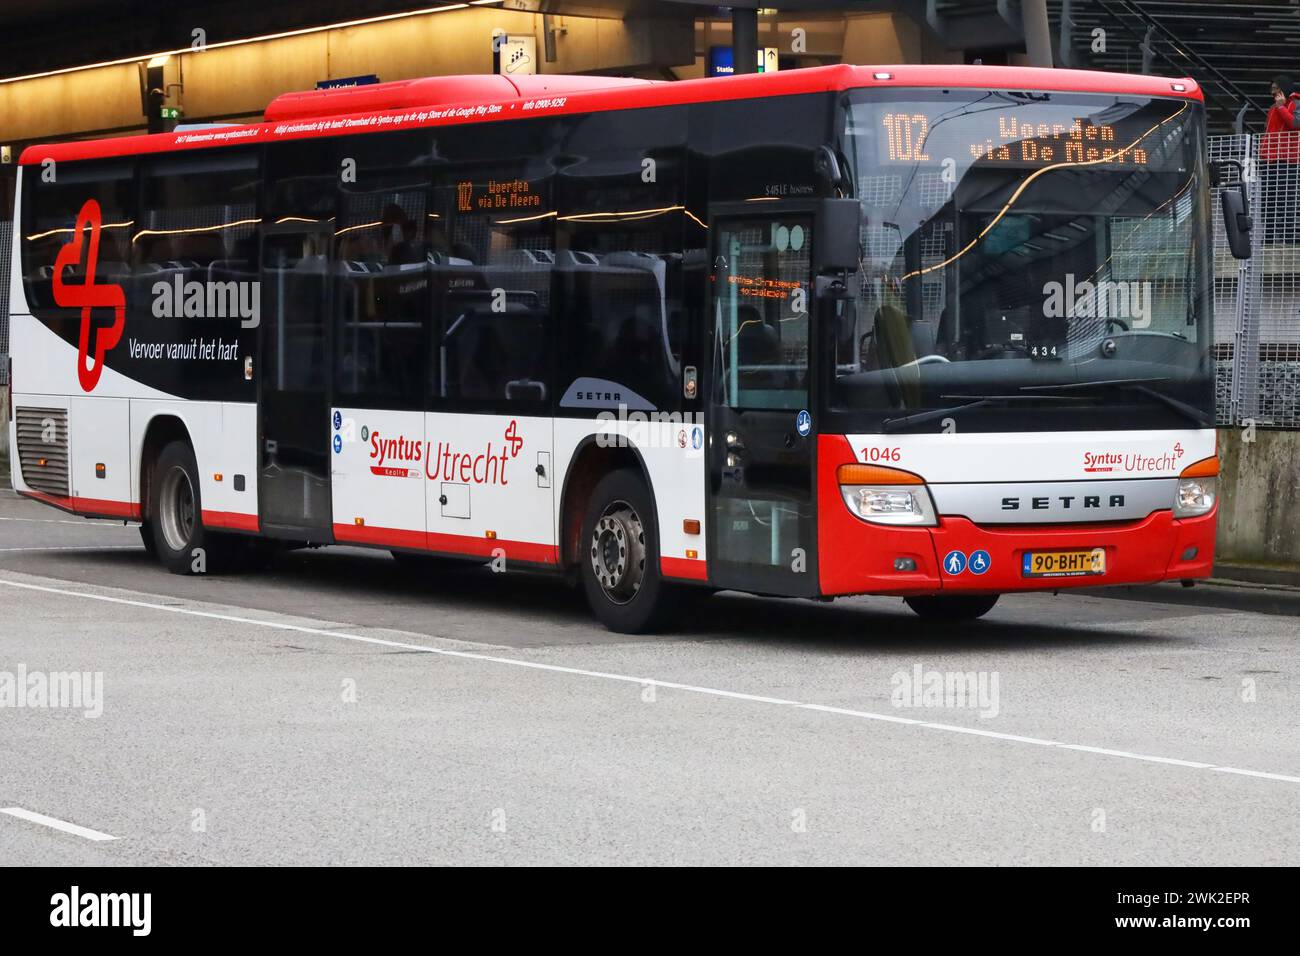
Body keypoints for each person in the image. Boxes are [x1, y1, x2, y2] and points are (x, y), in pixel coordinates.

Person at [1261, 76, 1300, 244]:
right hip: (1270, 159)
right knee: (1268, 200)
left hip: (1288, 160)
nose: (1273, 92)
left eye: (1276, 88)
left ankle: (1288, 237)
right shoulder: (1274, 108)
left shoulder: (1295, 104)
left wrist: (1282, 107)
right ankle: (1269, 237)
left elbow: (1295, 124)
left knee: (1286, 199)